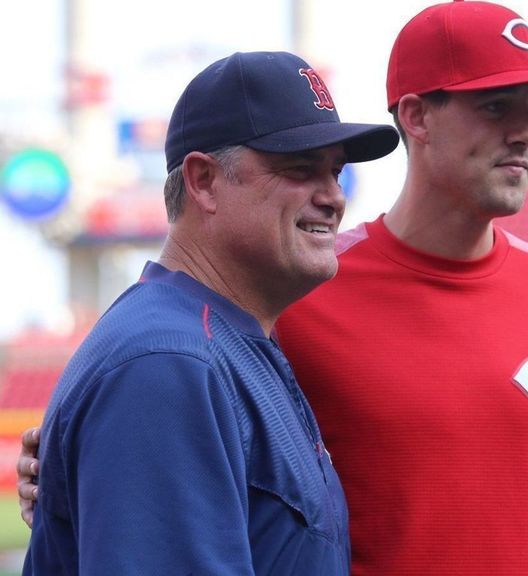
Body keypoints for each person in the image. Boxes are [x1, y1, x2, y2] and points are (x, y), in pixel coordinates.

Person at [18, 2, 528, 575]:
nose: (524, 133)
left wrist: (86, 464)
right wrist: (88, 460)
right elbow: (156, 398)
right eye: (495, 107)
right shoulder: (285, 297)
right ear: (416, 117)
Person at [19, 50, 399, 575]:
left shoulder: (223, 342)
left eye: (335, 172)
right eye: (301, 168)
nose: (334, 197)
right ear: (203, 181)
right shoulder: (168, 363)